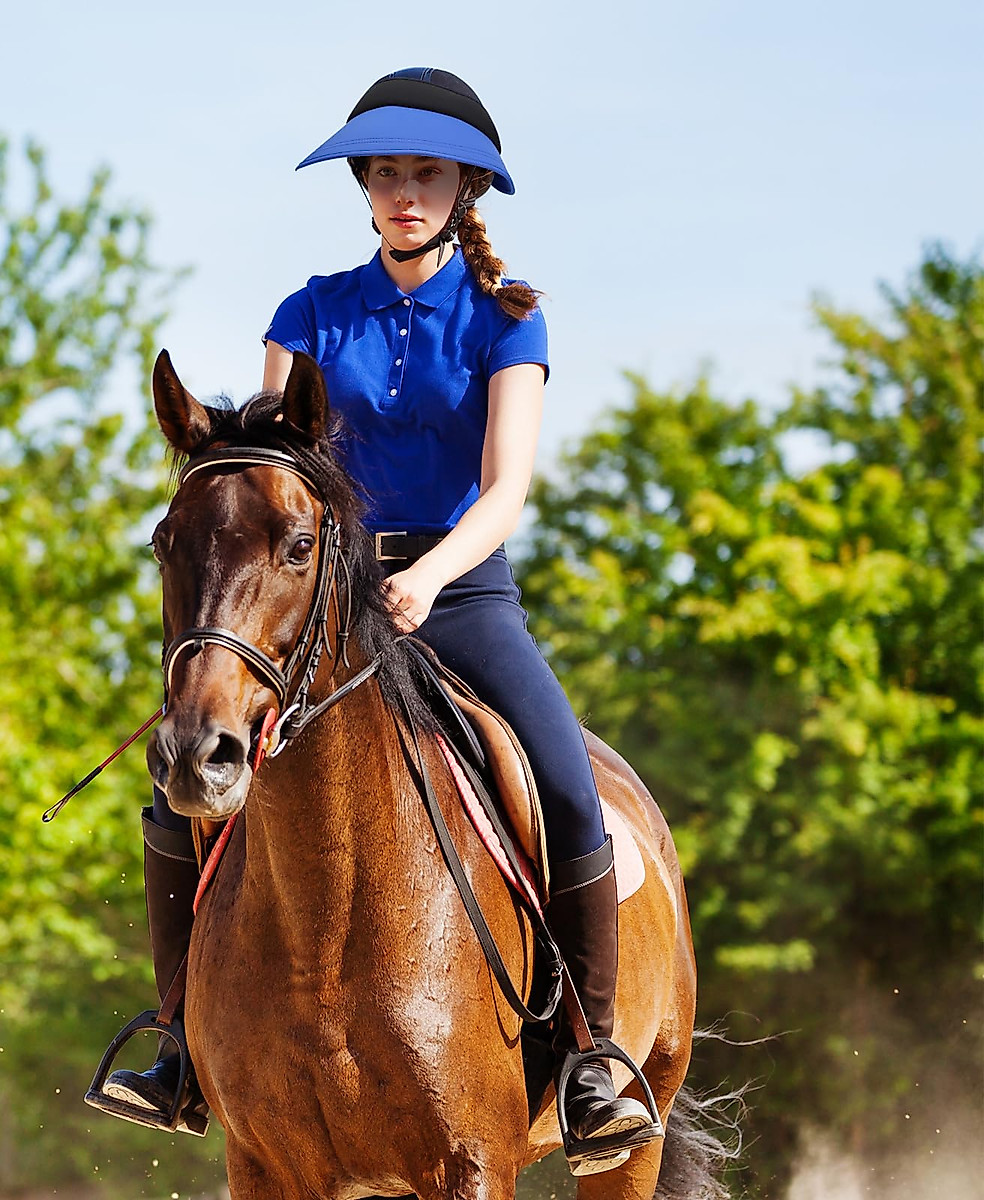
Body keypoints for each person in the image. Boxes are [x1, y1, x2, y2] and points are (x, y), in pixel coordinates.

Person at [99, 67, 657, 1176]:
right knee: (181, 791)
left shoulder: (508, 317)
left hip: (462, 597)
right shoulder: (307, 313)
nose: (407, 191)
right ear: (363, 185)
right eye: (389, 173)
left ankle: (595, 1058)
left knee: (565, 785)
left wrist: (429, 575)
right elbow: (276, 470)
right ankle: (176, 1045)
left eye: (429, 175)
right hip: (317, 603)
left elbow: (506, 490)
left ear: (465, 191)